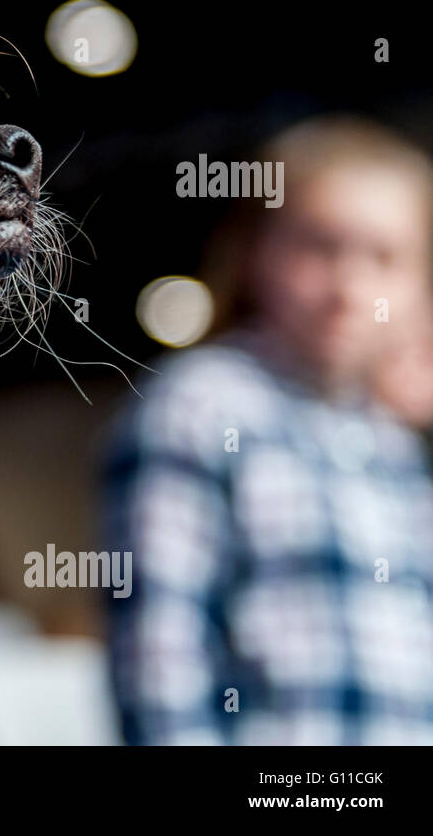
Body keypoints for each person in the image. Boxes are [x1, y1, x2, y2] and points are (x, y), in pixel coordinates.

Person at [101, 115, 433, 745]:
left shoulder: (392, 445)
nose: (350, 288)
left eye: (386, 258)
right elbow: (158, 666)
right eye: (320, 247)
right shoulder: (199, 410)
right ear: (257, 251)